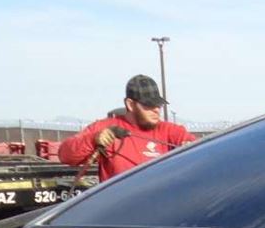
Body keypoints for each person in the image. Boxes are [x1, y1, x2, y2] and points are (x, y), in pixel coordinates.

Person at [59, 75, 193, 180]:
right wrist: (93, 140)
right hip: (119, 209)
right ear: (130, 104)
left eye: (158, 105)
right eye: (148, 105)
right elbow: (65, 155)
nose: (156, 110)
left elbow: (200, 150)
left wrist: (190, 150)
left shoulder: (171, 131)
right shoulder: (106, 128)